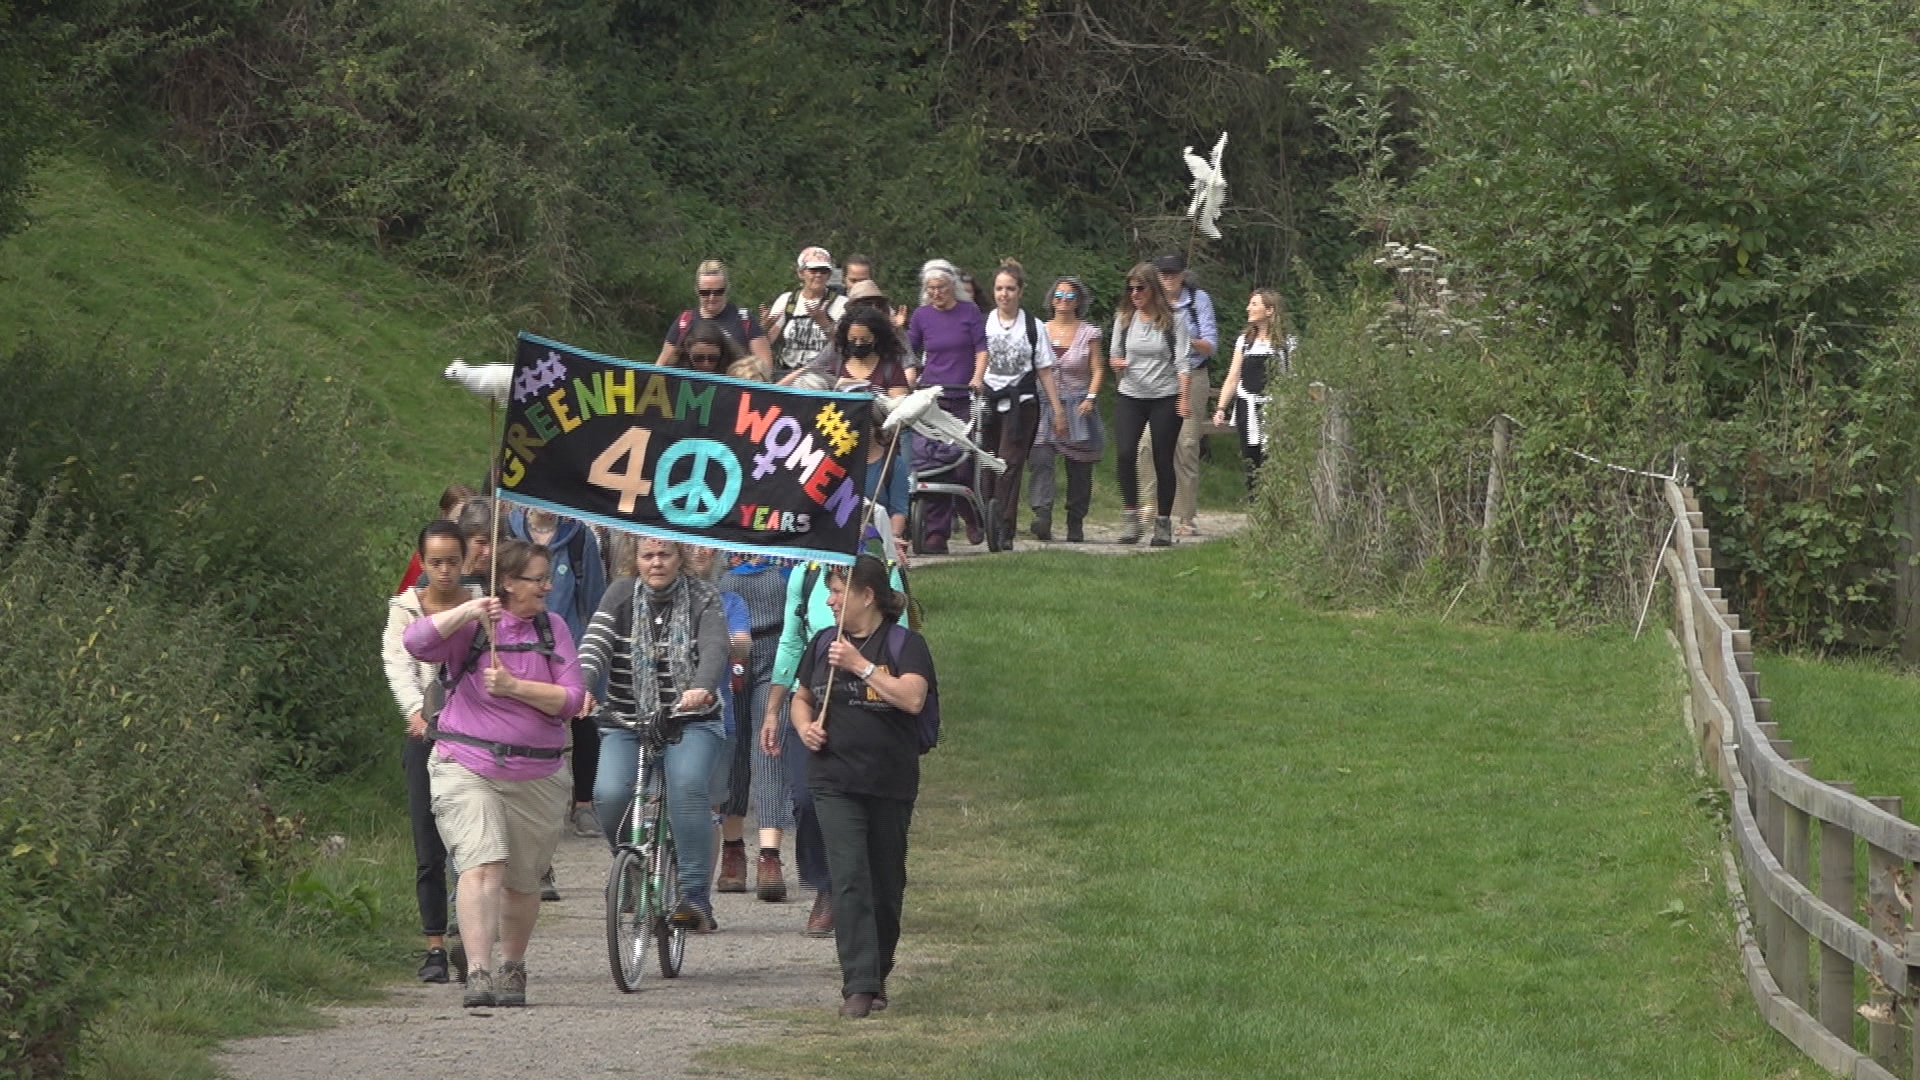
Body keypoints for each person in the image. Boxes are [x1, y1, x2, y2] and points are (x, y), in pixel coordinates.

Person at [403, 539, 584, 1008]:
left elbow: (570, 698)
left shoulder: (554, 628)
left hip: (538, 772)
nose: (547, 586)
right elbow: (417, 642)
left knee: (523, 881)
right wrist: (465, 612)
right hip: (468, 763)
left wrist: (514, 687)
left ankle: (512, 965)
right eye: (537, 578)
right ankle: (479, 972)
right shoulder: (475, 625)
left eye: (548, 578)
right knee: (482, 862)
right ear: (507, 582)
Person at [790, 555, 937, 1018]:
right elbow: (801, 696)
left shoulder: (904, 644)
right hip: (833, 777)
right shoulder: (821, 645)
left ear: (867, 595)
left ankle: (880, 973)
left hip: (889, 780)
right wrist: (804, 726)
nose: (830, 600)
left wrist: (861, 666)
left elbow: (913, 698)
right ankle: (858, 983)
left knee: (885, 883)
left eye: (837, 591)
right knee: (850, 877)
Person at [579, 537, 729, 932]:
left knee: (687, 785)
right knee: (610, 793)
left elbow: (716, 647)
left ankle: (693, 895)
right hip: (627, 719)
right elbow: (595, 645)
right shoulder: (619, 594)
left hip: (690, 720)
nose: (656, 563)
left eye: (665, 555)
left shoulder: (704, 597)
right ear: (636, 561)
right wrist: (581, 685)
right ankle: (628, 868)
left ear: (680, 558)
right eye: (648, 556)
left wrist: (702, 686)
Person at [382, 520, 480, 983]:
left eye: (452, 562)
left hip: (475, 733)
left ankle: (472, 938)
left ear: (465, 562)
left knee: (473, 843)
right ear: (422, 562)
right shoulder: (404, 608)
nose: (444, 571)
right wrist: (419, 714)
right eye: (435, 562)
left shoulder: (481, 603)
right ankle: (434, 945)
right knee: (428, 842)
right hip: (423, 732)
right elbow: (397, 661)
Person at [506, 507, 607, 839]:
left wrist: (595, 653)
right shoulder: (508, 529)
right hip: (518, 646)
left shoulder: (580, 538)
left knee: (584, 721)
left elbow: (595, 600)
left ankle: (583, 803)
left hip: (570, 645)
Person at [723, 553, 798, 901]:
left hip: (775, 650)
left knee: (770, 745)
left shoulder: (786, 541)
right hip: (726, 651)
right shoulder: (717, 534)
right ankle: (732, 847)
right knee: (731, 746)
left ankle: (770, 855)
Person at [979, 259, 1068, 548]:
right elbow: (976, 360)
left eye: (1010, 289)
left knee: (1009, 463)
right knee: (986, 461)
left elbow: (1044, 369)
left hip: (1022, 402)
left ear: (1020, 291)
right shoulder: (984, 323)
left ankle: (1004, 527)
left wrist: (1057, 410)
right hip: (988, 398)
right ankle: (986, 520)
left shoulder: (1033, 326)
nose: (1004, 294)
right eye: (999, 289)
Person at [684, 544, 754, 891]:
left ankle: (697, 895)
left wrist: (714, 640)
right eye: (691, 546)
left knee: (710, 808)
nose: (700, 553)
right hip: (665, 717)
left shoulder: (731, 602)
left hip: (714, 716)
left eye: (708, 548)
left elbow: (742, 643)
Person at [906, 260, 989, 553]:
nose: (936, 294)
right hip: (933, 397)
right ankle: (936, 534)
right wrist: (909, 380)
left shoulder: (969, 312)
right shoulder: (921, 315)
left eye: (940, 288)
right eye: (930, 289)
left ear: (952, 286)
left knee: (962, 461)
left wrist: (977, 378)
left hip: (963, 395)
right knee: (934, 463)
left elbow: (981, 349)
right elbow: (910, 352)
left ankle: (970, 513)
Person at [1134, 252, 1217, 538]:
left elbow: (1210, 345)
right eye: (1162, 273)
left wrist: (1182, 337)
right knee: (1146, 443)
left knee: (1186, 444)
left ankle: (1186, 515)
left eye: (1173, 273)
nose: (1167, 278)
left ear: (1183, 274)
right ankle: (1149, 505)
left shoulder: (1198, 301)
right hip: (1156, 378)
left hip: (1192, 377)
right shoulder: (1147, 299)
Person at [1110, 262, 1191, 547]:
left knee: (1161, 458)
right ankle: (1131, 518)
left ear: (1153, 289)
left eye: (1140, 288)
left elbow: (1183, 362)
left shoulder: (1174, 320)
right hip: (1131, 394)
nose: (1134, 294)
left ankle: (1163, 522)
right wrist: (1117, 364)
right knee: (1124, 453)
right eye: (1130, 288)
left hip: (1165, 396)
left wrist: (1183, 398)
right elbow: (1114, 355)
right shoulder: (1123, 318)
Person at [1028, 276, 1105, 542]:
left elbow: (1097, 369)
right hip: (1044, 403)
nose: (1063, 301)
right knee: (1040, 459)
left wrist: (1091, 397)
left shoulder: (1089, 333)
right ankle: (1042, 514)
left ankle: (1075, 520)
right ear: (1051, 299)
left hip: (1078, 404)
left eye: (1070, 297)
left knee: (1080, 465)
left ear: (1079, 302)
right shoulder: (1039, 330)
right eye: (1059, 295)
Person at [1212, 289, 1295, 496]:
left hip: (1276, 407)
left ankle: (1276, 507)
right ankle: (1255, 507)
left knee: (1274, 459)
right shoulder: (1245, 342)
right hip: (1247, 406)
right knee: (1251, 459)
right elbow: (1233, 377)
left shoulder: (1287, 343)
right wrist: (1221, 408)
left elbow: (1294, 378)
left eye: (1254, 304)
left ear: (1270, 310)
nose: (1248, 308)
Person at [656, 259, 774, 379]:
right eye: (705, 292)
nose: (712, 297)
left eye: (718, 292)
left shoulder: (744, 320)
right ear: (697, 290)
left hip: (732, 391)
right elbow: (661, 366)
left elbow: (765, 368)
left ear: (726, 288)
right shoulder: (685, 321)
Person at [765, 246, 850, 375]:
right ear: (801, 273)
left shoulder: (841, 303)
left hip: (823, 374)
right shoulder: (787, 300)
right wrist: (763, 329)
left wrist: (824, 323)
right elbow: (769, 340)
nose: (818, 275)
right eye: (813, 270)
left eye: (824, 271)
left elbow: (844, 346)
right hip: (786, 370)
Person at [396, 484, 476, 593]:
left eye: (470, 519)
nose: (465, 525)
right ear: (444, 514)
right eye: (459, 518)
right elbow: (405, 595)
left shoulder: (481, 553)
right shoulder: (429, 552)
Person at [675, 317, 747, 375]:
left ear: (721, 352)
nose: (706, 364)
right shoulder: (675, 368)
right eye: (698, 358)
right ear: (687, 350)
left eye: (713, 358)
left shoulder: (739, 369)